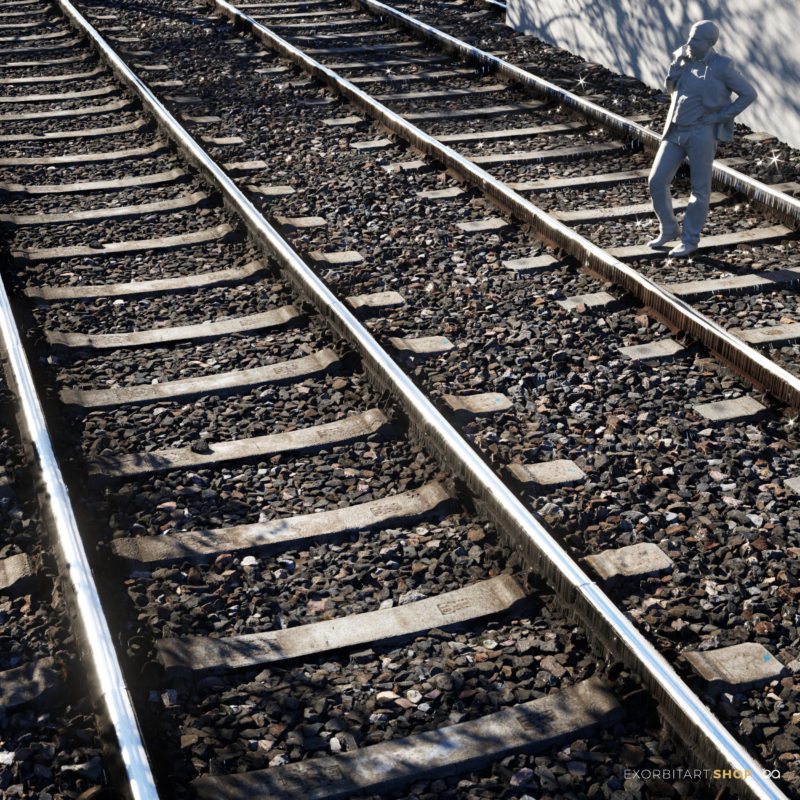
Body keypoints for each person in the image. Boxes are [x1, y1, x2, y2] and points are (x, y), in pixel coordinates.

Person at [647, 20, 757, 257]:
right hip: (675, 130)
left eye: (695, 39)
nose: (689, 43)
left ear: (709, 43)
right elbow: (671, 89)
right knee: (656, 181)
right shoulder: (683, 58)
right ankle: (669, 229)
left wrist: (720, 116)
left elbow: (748, 94)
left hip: (702, 132)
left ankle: (690, 239)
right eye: (689, 37)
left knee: (699, 190)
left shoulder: (722, 66)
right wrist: (675, 67)